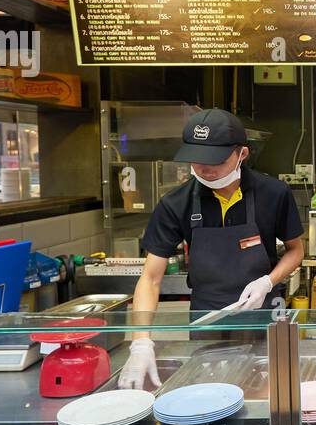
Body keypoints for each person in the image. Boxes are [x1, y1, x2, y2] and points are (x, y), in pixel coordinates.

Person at [118, 108, 304, 390]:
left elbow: (295, 251)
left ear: (242, 154)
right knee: (210, 393)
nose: (204, 169)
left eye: (215, 160)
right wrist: (140, 342)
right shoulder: (175, 203)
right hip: (206, 319)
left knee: (266, 394)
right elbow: (150, 278)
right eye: (197, 159)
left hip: (264, 312)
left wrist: (268, 282)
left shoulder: (273, 193)